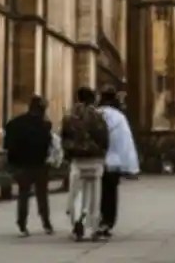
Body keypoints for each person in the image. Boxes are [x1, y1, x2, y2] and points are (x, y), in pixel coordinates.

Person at [61, 86, 111, 242]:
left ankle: (77, 223)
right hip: (95, 160)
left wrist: (69, 155)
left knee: (77, 193)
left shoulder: (69, 117)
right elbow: (104, 138)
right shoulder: (97, 117)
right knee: (94, 195)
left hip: (77, 160)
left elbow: (64, 138)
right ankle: (92, 228)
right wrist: (101, 151)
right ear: (92, 99)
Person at [2, 95, 55, 237]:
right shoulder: (45, 125)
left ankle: (22, 224)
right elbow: (48, 145)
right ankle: (46, 223)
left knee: (23, 194)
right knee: (42, 195)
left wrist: (12, 162)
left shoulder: (14, 123)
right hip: (39, 164)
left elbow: (7, 145)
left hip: (20, 165)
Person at [98, 88, 139, 238]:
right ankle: (107, 222)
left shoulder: (95, 114)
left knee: (97, 193)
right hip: (113, 162)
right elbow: (125, 142)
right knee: (110, 194)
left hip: (97, 160)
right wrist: (130, 166)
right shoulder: (119, 117)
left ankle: (95, 219)